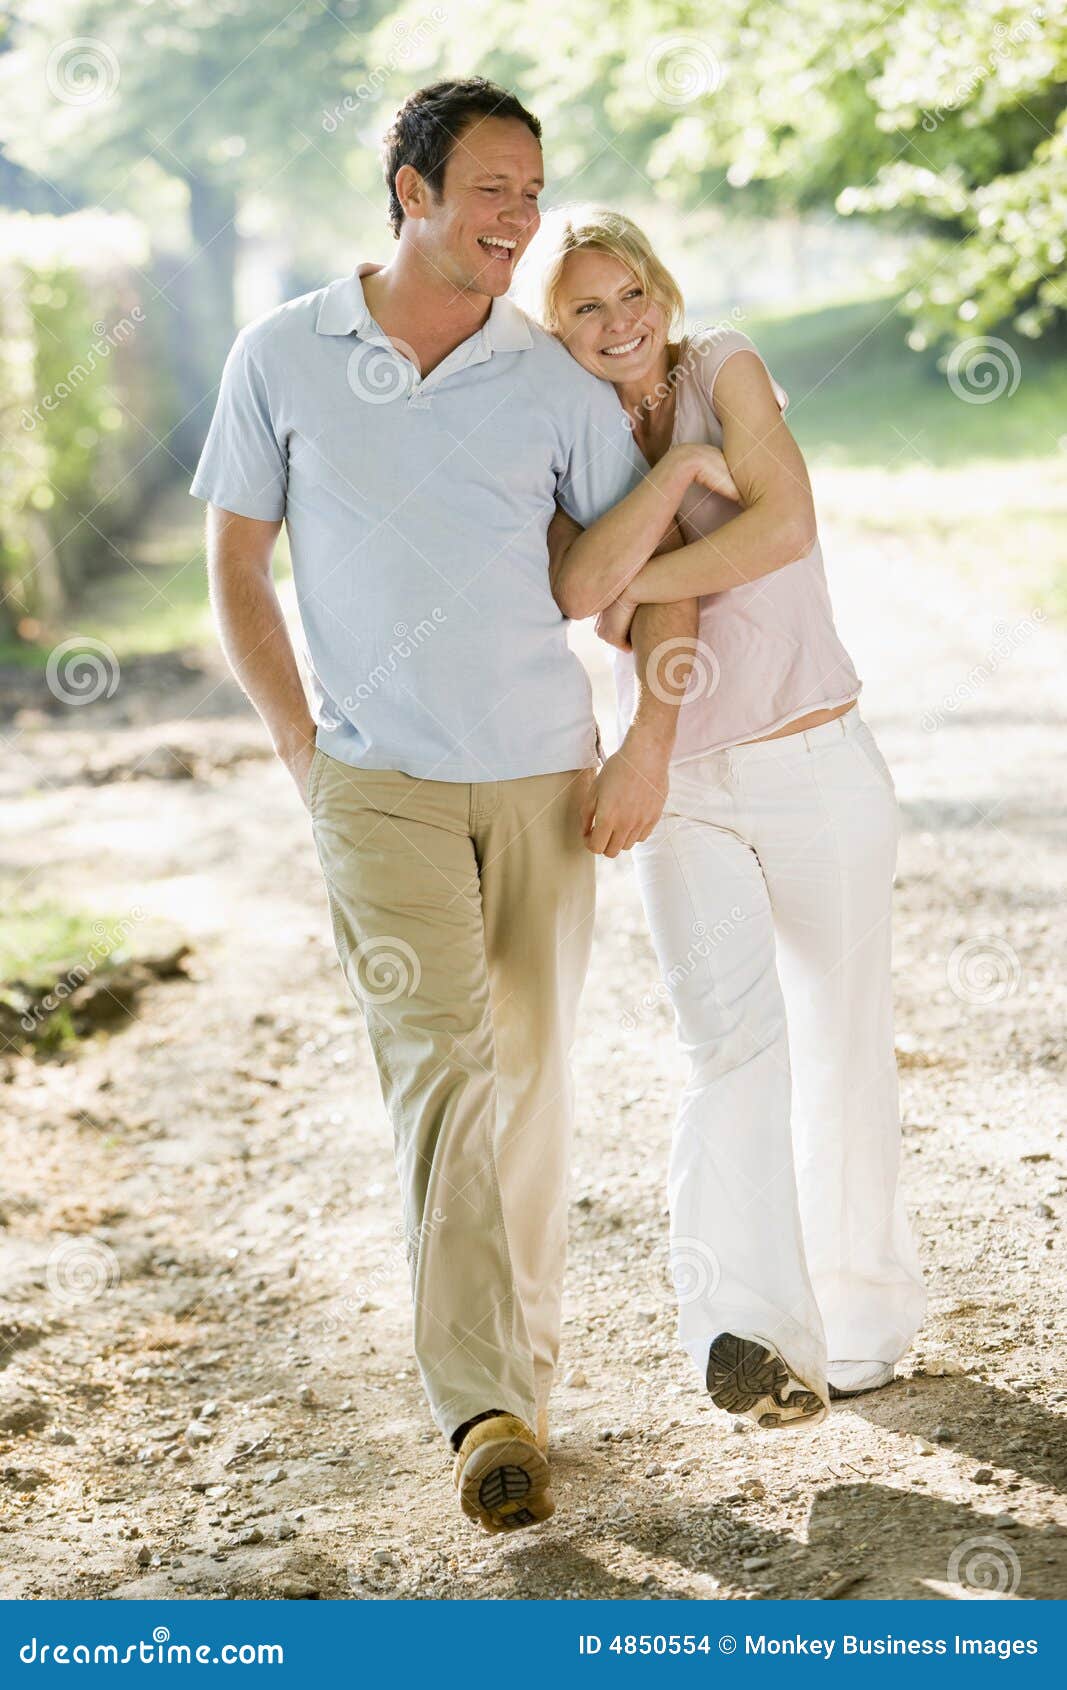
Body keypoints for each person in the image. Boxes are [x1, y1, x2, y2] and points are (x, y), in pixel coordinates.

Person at [188, 84, 708, 1534]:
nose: (519, 217)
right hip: (377, 787)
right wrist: (304, 752)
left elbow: (640, 567)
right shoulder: (282, 353)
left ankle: (518, 1389)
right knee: (439, 1070)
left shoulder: (551, 378)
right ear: (410, 190)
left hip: (542, 776)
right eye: (491, 188)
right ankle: (481, 1407)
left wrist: (647, 739)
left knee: (526, 1083)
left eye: (532, 191)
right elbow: (234, 565)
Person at [518, 206, 927, 1431]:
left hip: (813, 760)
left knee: (840, 1040)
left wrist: (642, 562)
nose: (617, 322)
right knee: (727, 1047)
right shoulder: (569, 434)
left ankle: (860, 1325)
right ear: (551, 330)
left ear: (661, 288)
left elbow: (783, 526)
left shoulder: (724, 366)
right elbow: (572, 587)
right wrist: (678, 488)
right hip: (682, 787)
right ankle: (748, 1330)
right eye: (584, 308)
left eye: (629, 291)